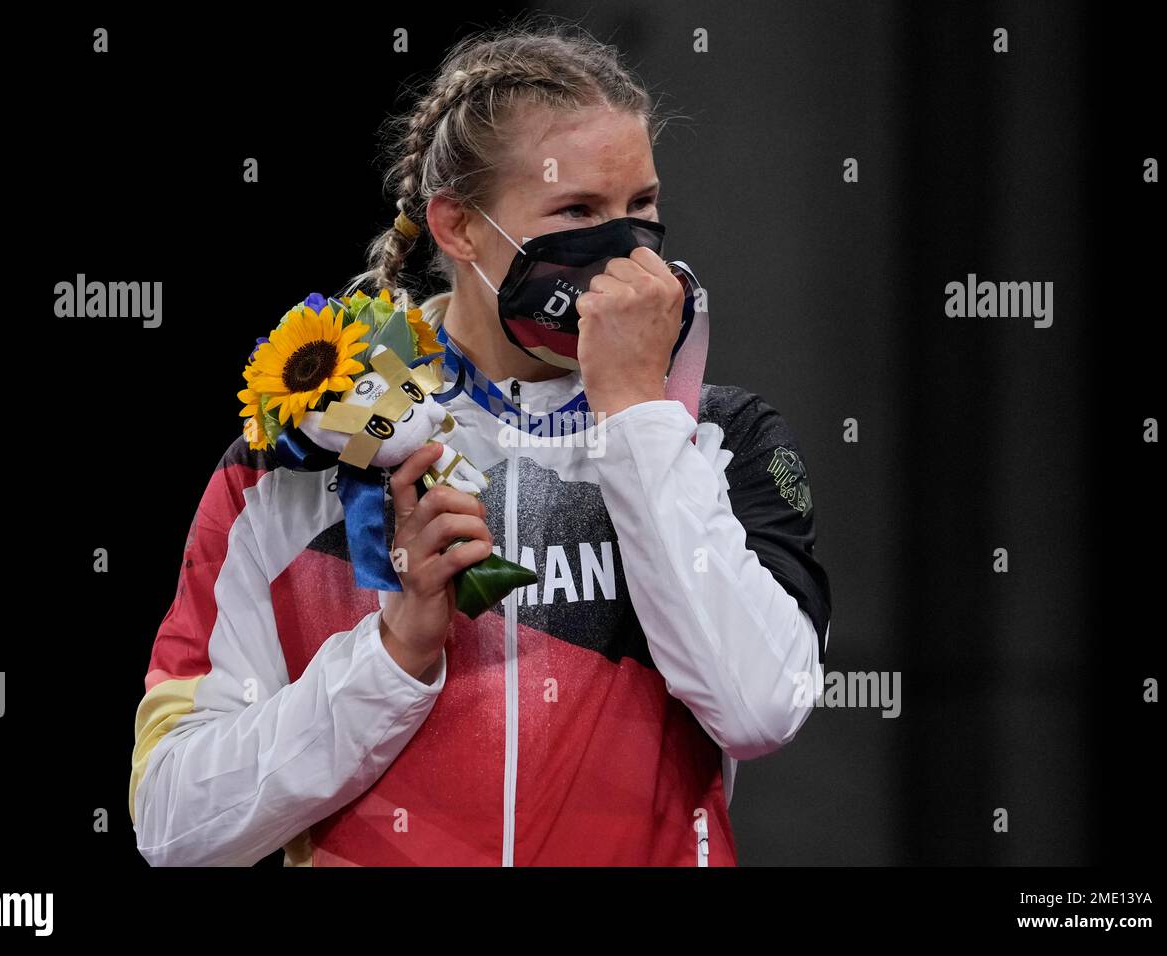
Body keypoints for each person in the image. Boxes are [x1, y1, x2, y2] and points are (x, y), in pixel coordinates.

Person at [128, 17, 831, 867]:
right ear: (458, 228)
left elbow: (759, 710)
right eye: (576, 211)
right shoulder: (302, 452)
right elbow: (174, 822)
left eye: (640, 207)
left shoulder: (720, 440)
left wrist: (639, 418)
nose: (623, 253)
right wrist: (391, 657)